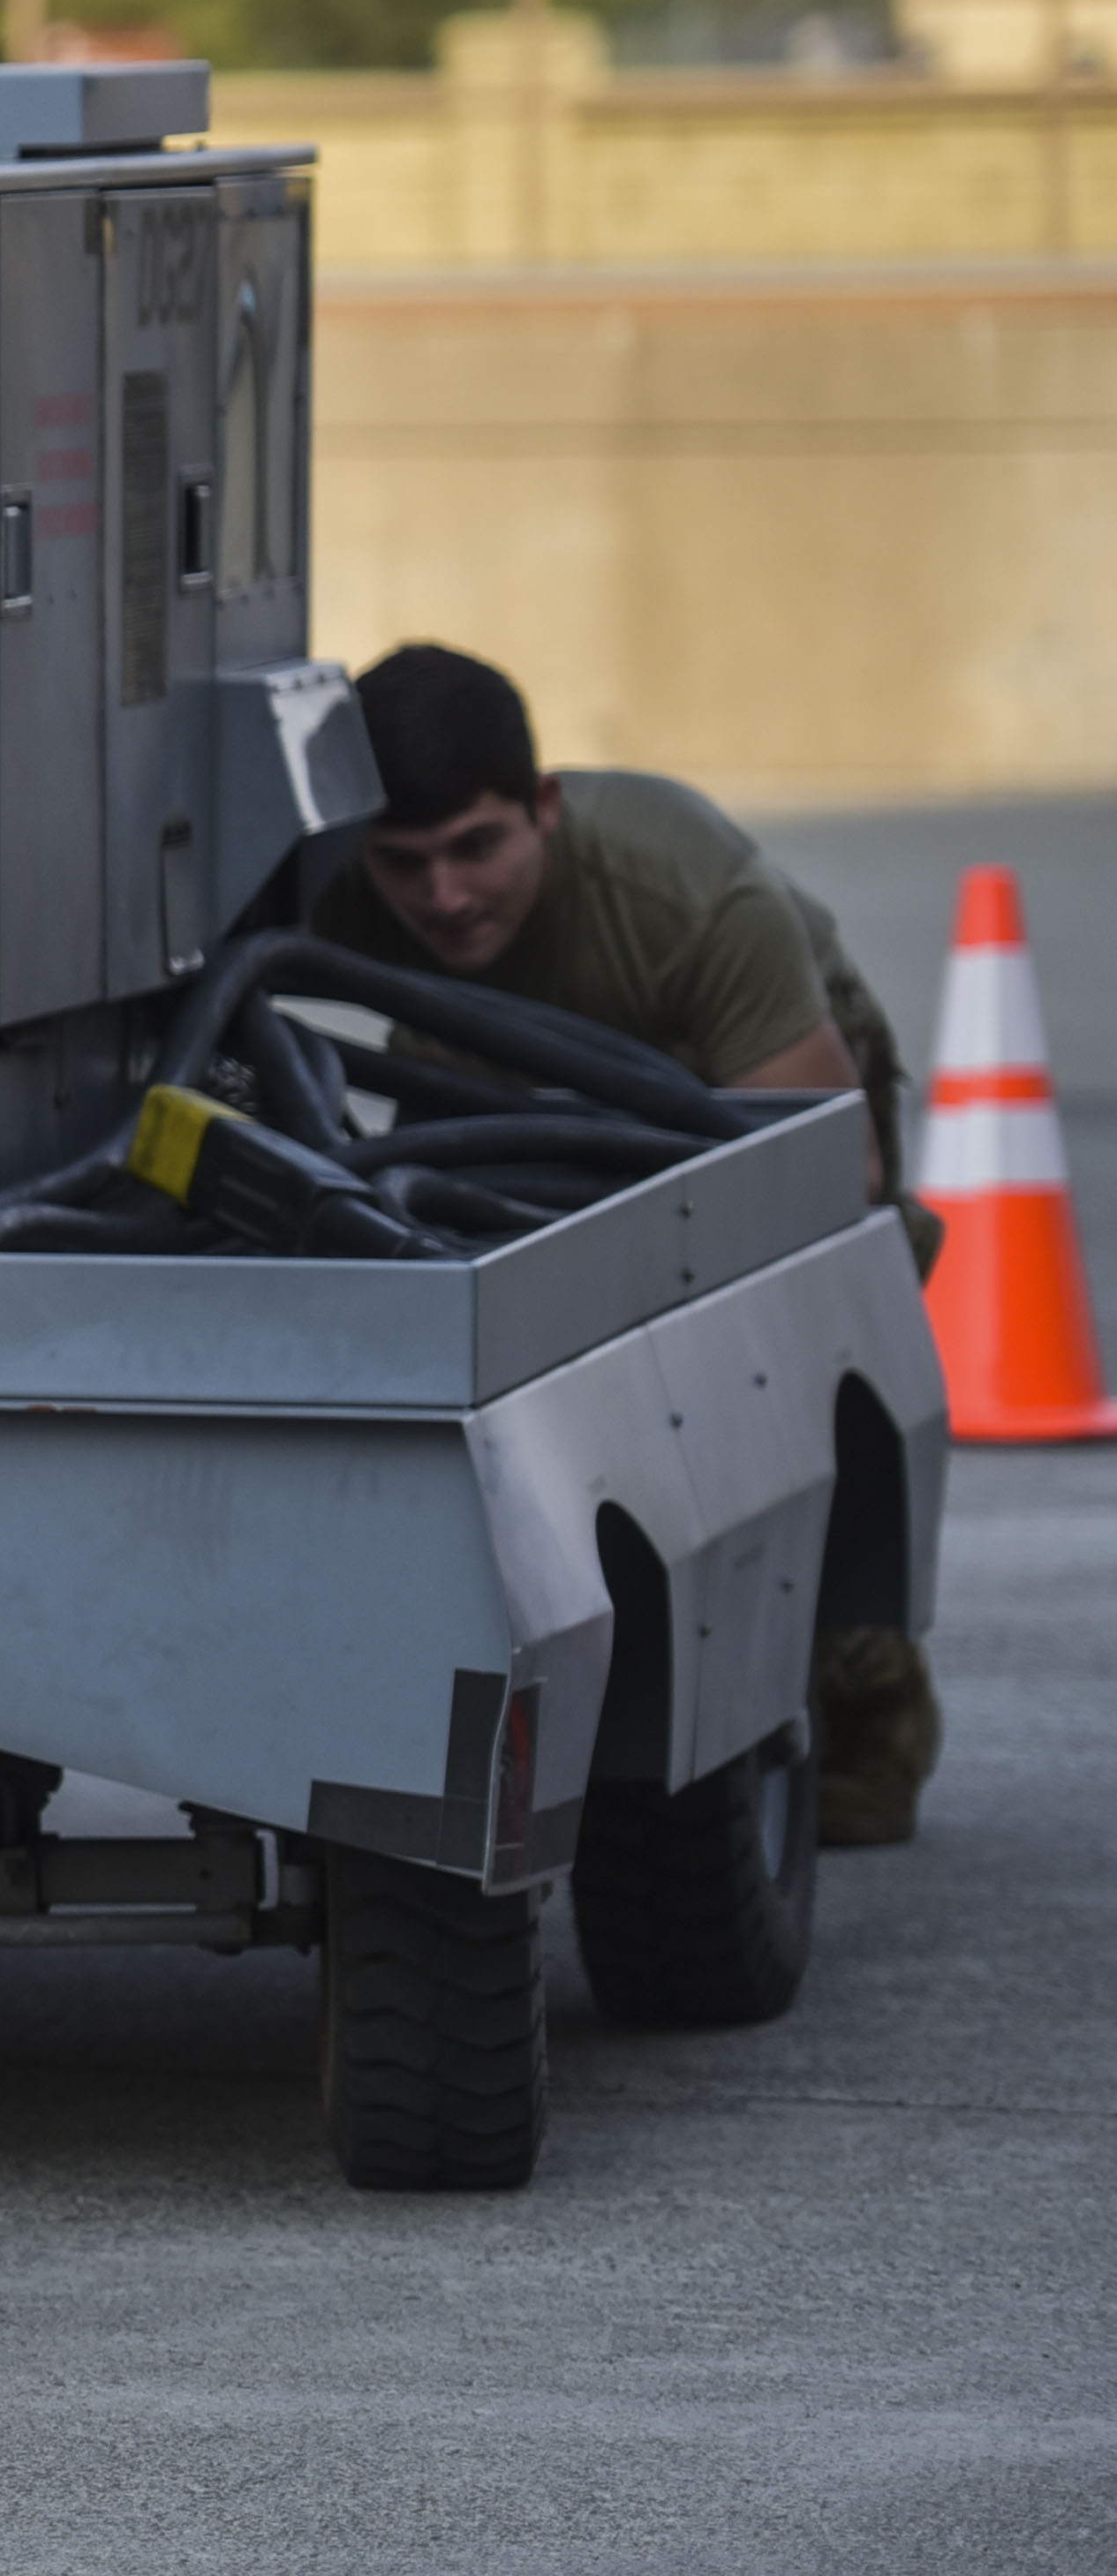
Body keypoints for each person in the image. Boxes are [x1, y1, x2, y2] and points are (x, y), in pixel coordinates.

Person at [312, 640, 942, 1842]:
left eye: (477, 847)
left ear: (543, 809)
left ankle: (868, 1714)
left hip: (728, 1079)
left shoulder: (689, 900)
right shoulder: (337, 887)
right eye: (404, 862)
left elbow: (826, 1174)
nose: (443, 894)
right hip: (485, 1061)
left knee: (798, 1389)